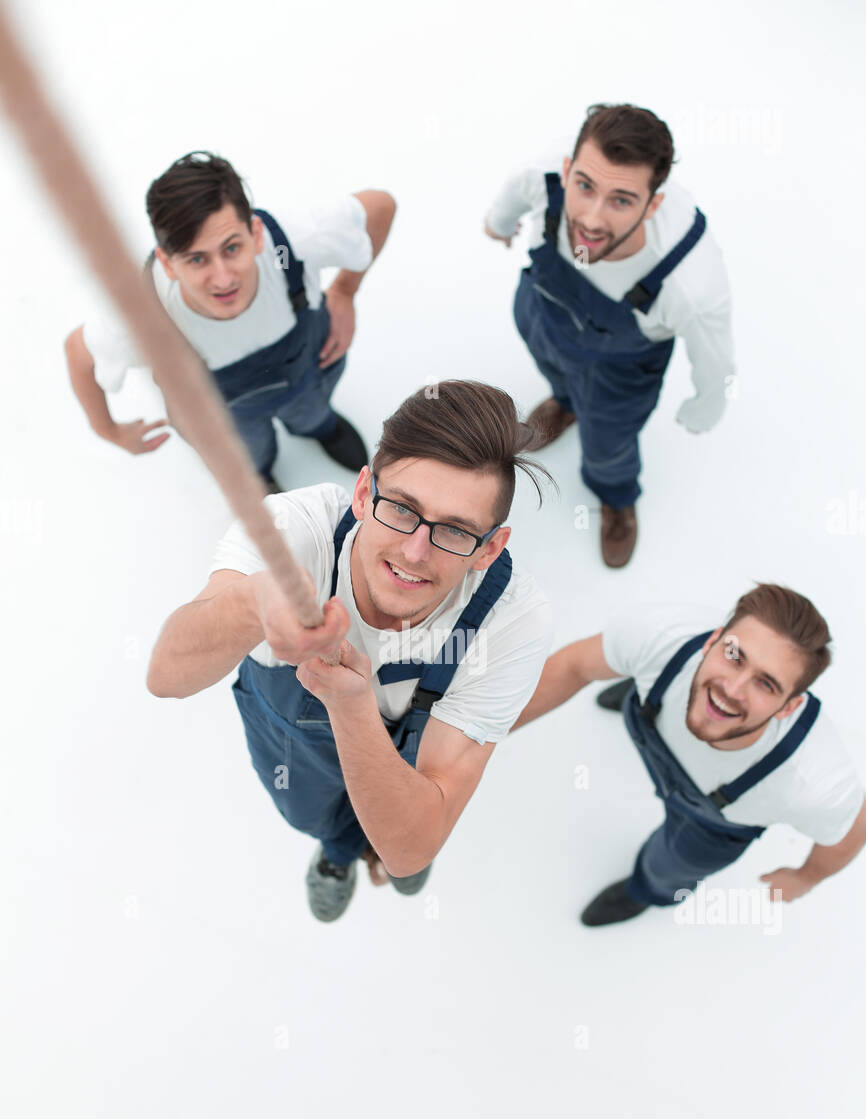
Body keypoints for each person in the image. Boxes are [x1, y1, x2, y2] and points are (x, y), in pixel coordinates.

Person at [146, 381, 554, 921]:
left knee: (405, 837)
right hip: (295, 755)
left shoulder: (511, 620)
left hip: (413, 759)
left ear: (489, 548)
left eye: (454, 531)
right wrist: (253, 604)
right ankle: (337, 856)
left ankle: (374, 833)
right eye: (401, 509)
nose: (415, 551)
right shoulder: (294, 531)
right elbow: (165, 676)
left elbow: (410, 850)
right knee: (319, 815)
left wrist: (352, 707)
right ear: (363, 494)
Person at [512, 584, 866, 925]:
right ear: (711, 641)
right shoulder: (660, 635)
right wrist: (479, 732)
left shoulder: (813, 783)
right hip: (656, 727)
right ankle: (642, 689)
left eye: (766, 684)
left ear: (788, 708)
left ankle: (645, 891)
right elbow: (575, 666)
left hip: (714, 826)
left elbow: (851, 827)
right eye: (733, 656)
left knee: (670, 869)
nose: (732, 689)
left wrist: (807, 876)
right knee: (649, 679)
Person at [485, 103, 734, 567]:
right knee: (555, 372)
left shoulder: (689, 281)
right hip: (543, 318)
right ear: (567, 171)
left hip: (619, 372)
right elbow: (509, 200)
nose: (593, 219)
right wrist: (498, 225)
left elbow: (716, 362)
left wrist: (703, 408)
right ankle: (564, 401)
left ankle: (615, 497)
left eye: (621, 200)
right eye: (584, 187)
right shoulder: (541, 178)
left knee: (608, 447)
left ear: (653, 203)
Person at [65, 151, 396, 487]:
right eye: (197, 259)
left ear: (255, 233)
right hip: (222, 418)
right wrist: (109, 431)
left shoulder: (292, 241)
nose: (223, 279)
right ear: (167, 264)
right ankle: (260, 475)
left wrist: (344, 292)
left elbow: (380, 207)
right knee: (248, 458)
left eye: (231, 248)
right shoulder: (144, 315)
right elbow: (78, 350)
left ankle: (320, 428)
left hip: (307, 379)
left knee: (312, 415)